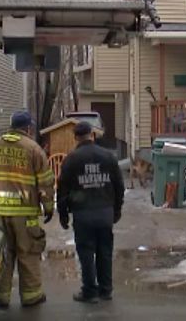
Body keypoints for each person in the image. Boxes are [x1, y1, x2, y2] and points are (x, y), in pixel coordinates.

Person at [0, 111, 55, 309]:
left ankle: (1, 296)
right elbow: (45, 182)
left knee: (4, 254)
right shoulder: (33, 149)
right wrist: (48, 207)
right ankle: (31, 296)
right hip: (25, 215)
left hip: (0, 213)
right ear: (28, 128)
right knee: (28, 253)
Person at [57, 122, 125, 303]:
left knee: (86, 252)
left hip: (82, 213)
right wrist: (117, 209)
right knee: (105, 250)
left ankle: (89, 291)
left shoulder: (71, 160)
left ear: (76, 137)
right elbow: (119, 185)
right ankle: (105, 289)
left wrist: (62, 214)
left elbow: (62, 190)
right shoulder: (108, 157)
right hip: (105, 211)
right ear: (92, 135)